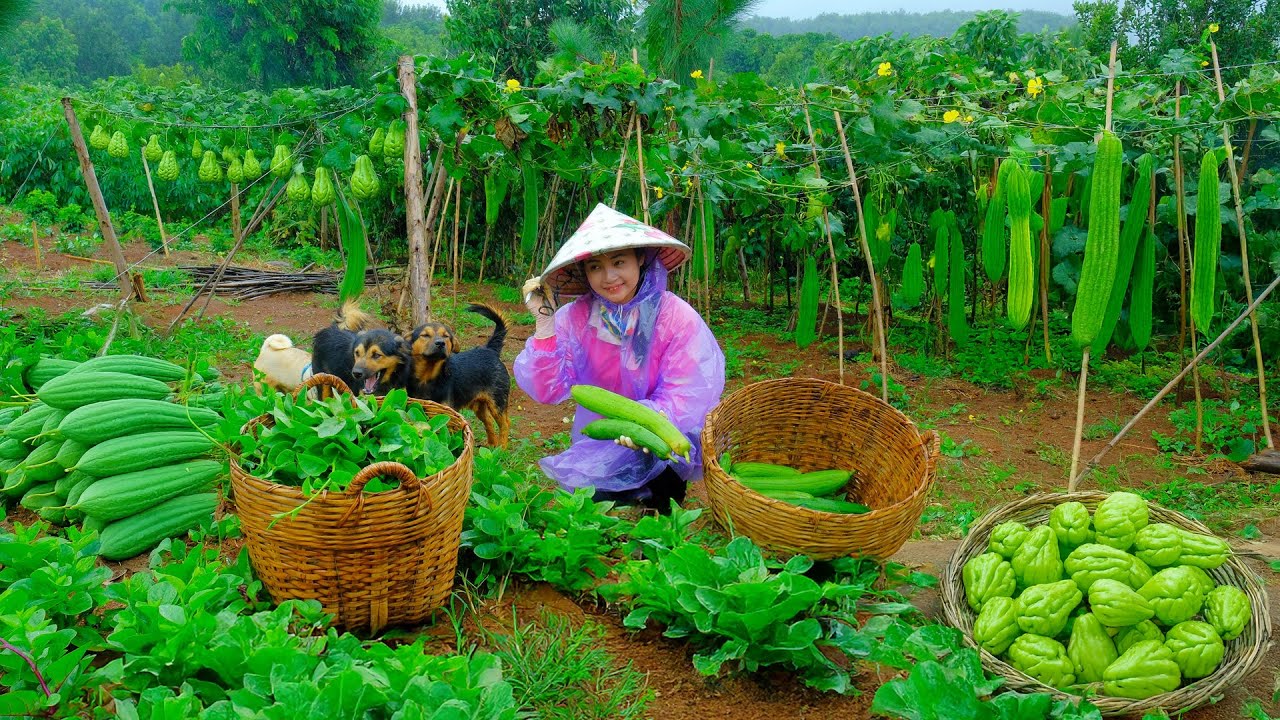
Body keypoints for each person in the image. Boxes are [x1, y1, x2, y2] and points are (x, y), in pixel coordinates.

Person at [514, 203, 726, 512]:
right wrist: (545, 323)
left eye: (618, 261)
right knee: (600, 513)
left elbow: (688, 392)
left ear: (640, 258)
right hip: (599, 443)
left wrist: (644, 423)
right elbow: (548, 390)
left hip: (661, 437)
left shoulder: (676, 318)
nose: (609, 276)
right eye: (595, 267)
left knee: (656, 505)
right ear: (585, 272)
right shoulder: (575, 319)